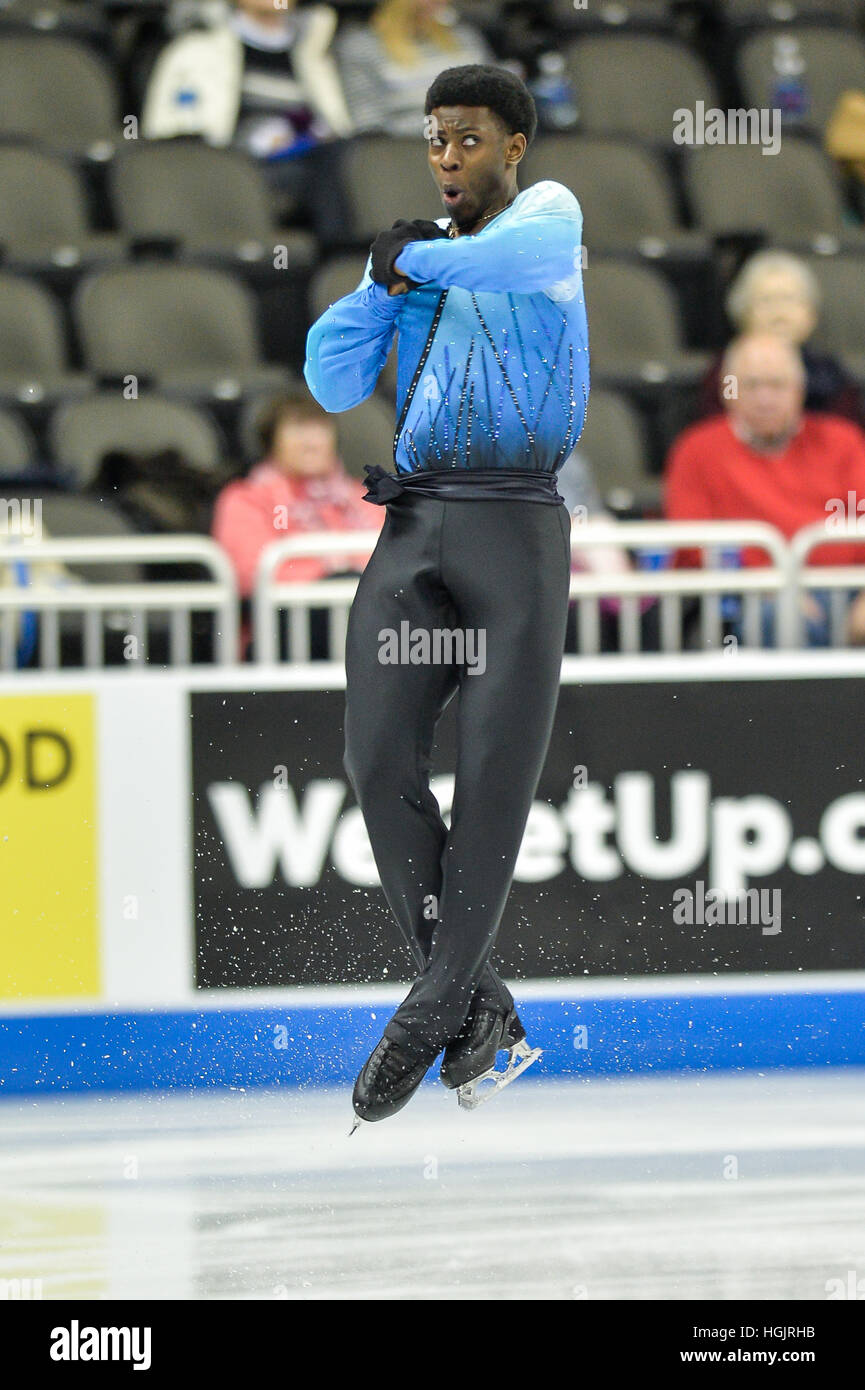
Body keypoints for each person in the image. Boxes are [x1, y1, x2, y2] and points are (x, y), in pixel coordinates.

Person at [304, 63, 589, 1125]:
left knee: (494, 782)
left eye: (466, 139)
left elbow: (528, 254)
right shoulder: (414, 261)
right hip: (417, 530)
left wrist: (416, 257)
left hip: (516, 529)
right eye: (434, 141)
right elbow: (331, 378)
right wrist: (382, 283)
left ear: (512, 145)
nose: (447, 158)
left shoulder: (547, 218)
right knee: (374, 756)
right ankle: (472, 1008)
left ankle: (428, 1009)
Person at [664, 332, 865, 647]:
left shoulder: (844, 442)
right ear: (727, 391)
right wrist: (773, 585)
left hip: (847, 590)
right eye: (752, 385)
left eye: (777, 385)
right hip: (748, 597)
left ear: (799, 390)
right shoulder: (697, 448)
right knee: (784, 620)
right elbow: (692, 544)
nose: (765, 398)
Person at [140, 0, 353, 243]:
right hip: (234, 169)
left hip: (313, 165)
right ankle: (342, 255)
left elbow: (339, 127)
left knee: (352, 163)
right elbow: (167, 140)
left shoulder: (317, 53)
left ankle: (347, 262)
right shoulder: (193, 52)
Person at [211, 393, 383, 656]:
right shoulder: (246, 498)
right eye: (297, 430)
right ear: (270, 443)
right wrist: (334, 575)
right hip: (284, 633)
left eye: (319, 430)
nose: (311, 443)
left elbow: (393, 562)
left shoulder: (363, 497)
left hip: (364, 622)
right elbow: (251, 574)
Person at [696, 249, 863, 427]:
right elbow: (723, 418)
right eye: (767, 300)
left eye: (789, 299)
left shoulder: (829, 374)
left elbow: (845, 434)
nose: (779, 313)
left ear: (810, 314)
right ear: (743, 312)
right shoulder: (728, 373)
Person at [335, 0, 493, 137]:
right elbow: (369, 125)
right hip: (405, 154)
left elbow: (496, 100)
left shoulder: (467, 39)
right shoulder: (362, 47)